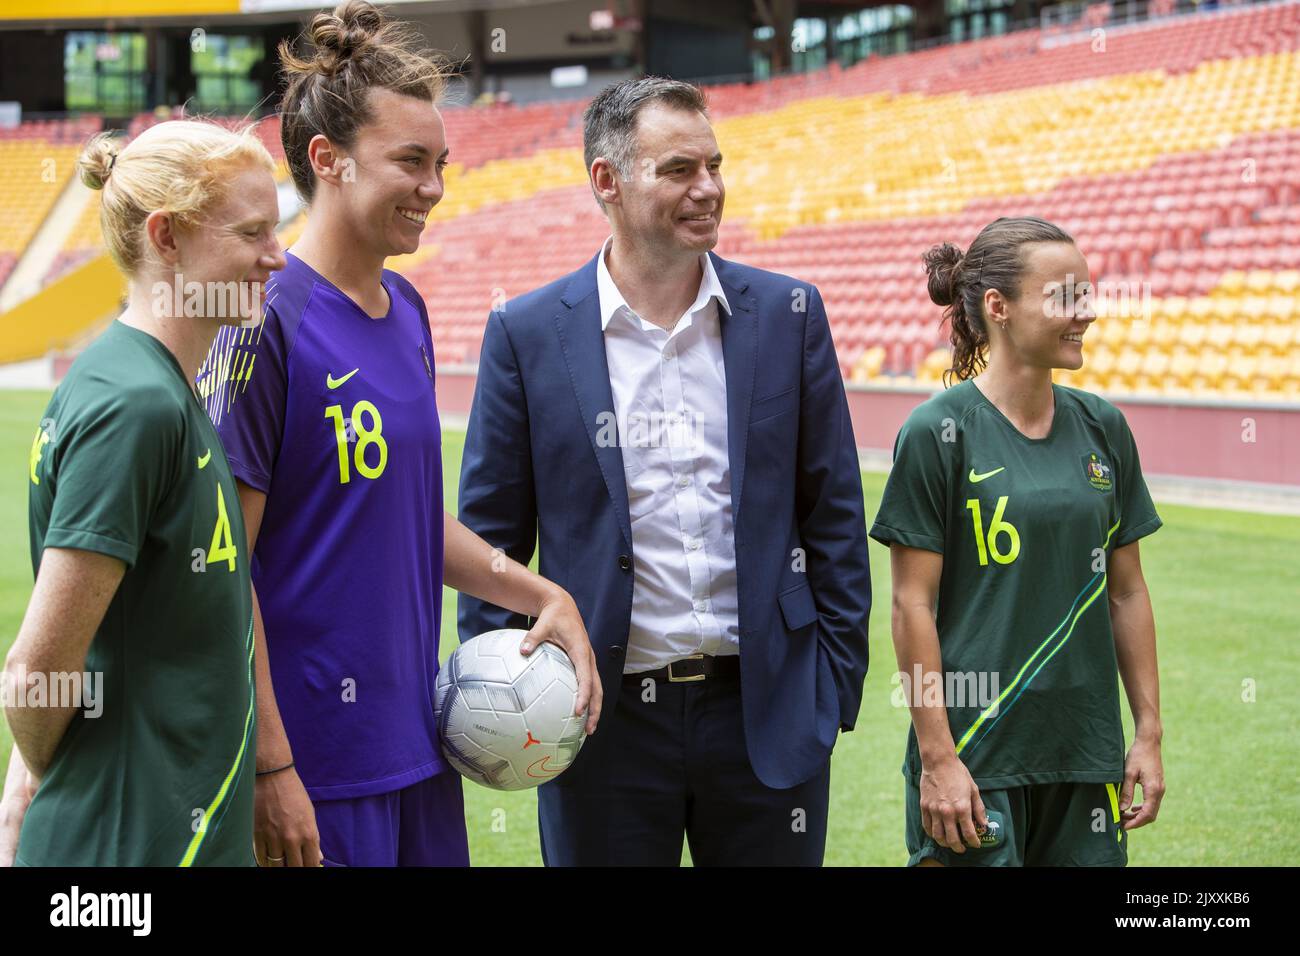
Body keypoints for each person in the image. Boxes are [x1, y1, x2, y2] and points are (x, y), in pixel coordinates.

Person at [199, 0, 601, 868]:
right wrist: (272, 765)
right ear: (327, 160)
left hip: (420, 748)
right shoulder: (261, 322)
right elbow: (221, 569)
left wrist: (540, 594)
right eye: (411, 162)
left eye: (443, 163)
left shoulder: (408, 308)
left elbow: (403, 519)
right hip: (314, 767)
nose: (435, 188)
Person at [457, 76, 871, 866]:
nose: (708, 188)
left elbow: (835, 518)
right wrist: (509, 697)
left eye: (714, 165)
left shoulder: (789, 315)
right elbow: (491, 535)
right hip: (597, 720)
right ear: (607, 182)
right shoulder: (527, 332)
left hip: (766, 713)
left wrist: (833, 686)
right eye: (679, 169)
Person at [0, 119, 285, 865]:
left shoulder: (153, 387)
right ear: (167, 239)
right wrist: (44, 775)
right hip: (123, 852)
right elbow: (35, 674)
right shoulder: (136, 405)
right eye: (252, 232)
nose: (277, 256)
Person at [870, 216, 1166, 866]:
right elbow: (909, 607)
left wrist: (1148, 733)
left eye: (1087, 293)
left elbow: (1128, 593)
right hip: (977, 758)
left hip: (1084, 754)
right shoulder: (936, 433)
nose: (1085, 311)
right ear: (998, 308)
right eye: (1064, 296)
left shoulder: (1104, 429)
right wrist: (937, 758)